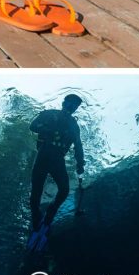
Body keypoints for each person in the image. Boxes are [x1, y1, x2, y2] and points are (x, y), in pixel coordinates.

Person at [29, 94, 85, 236]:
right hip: (44, 153)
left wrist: (80, 164)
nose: (72, 106)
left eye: (75, 105)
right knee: (36, 189)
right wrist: (47, 129)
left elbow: (78, 146)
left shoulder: (74, 125)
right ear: (63, 103)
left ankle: (51, 211)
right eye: (70, 103)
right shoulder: (49, 114)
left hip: (58, 158)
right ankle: (36, 215)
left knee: (64, 190)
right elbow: (32, 126)